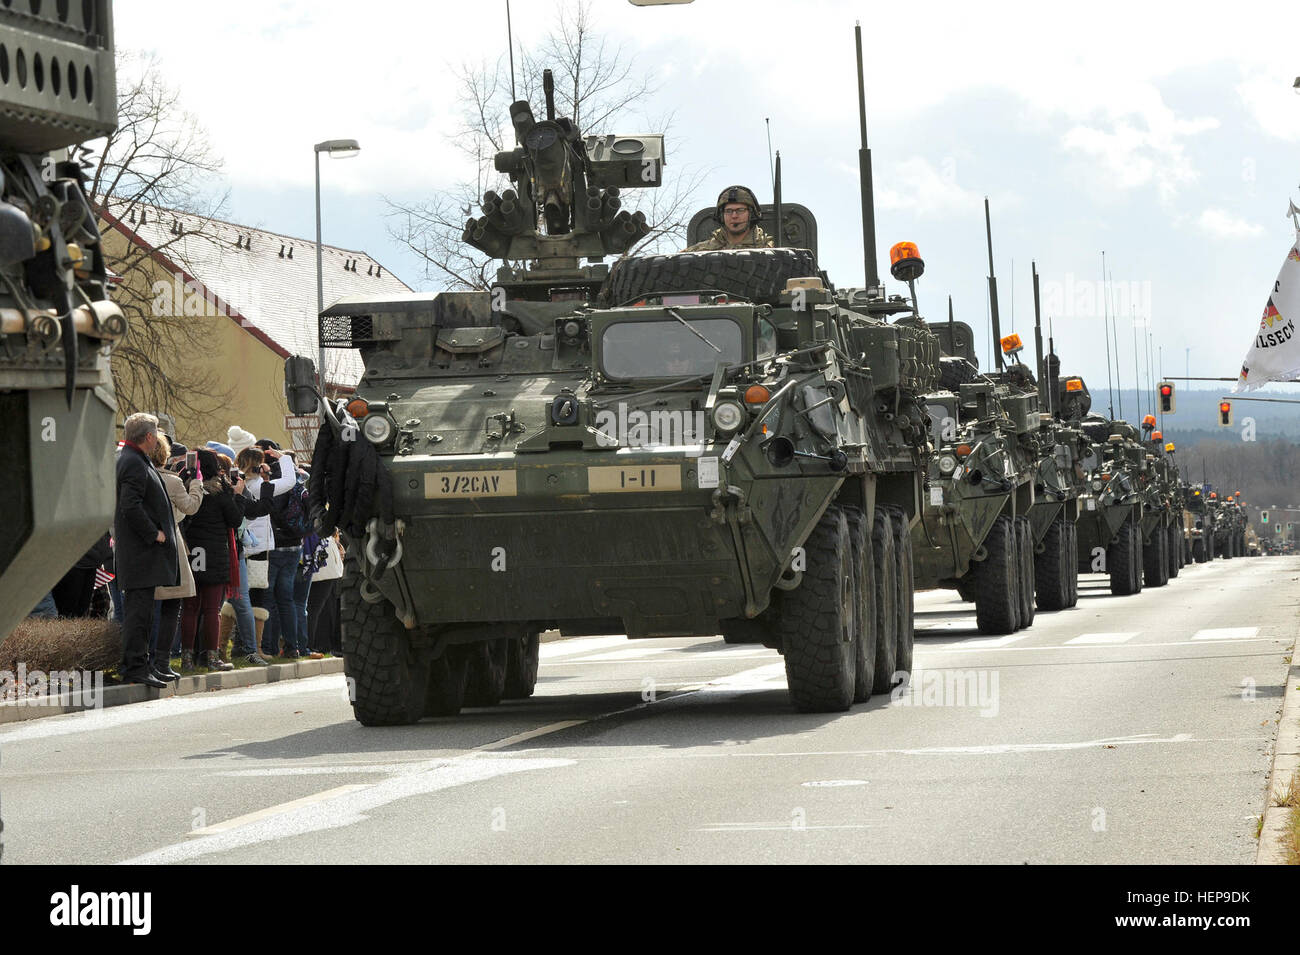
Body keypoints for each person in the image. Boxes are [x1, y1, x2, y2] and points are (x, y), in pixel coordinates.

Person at [113, 413, 175, 688]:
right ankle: (135, 667)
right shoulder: (132, 462)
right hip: (140, 553)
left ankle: (143, 664)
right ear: (149, 437)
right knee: (139, 615)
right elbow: (130, 505)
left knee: (144, 613)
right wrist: (154, 533)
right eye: (156, 432)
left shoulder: (135, 459)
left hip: (142, 554)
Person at [178, 448, 245, 672]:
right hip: (215, 555)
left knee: (189, 609)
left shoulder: (185, 488)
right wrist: (237, 495)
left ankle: (187, 659)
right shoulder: (221, 491)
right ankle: (212, 657)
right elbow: (235, 520)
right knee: (211, 610)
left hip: (190, 554)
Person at [151, 434, 204, 680]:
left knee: (145, 608)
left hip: (143, 549)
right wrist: (195, 482)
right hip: (170, 547)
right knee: (172, 606)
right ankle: (161, 660)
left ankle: (148, 659)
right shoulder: (172, 482)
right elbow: (190, 508)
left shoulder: (135, 478)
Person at [682, 185, 774, 252]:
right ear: (721, 216)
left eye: (740, 210)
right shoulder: (700, 251)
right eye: (728, 211)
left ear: (751, 214)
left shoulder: (770, 250)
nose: (734, 216)